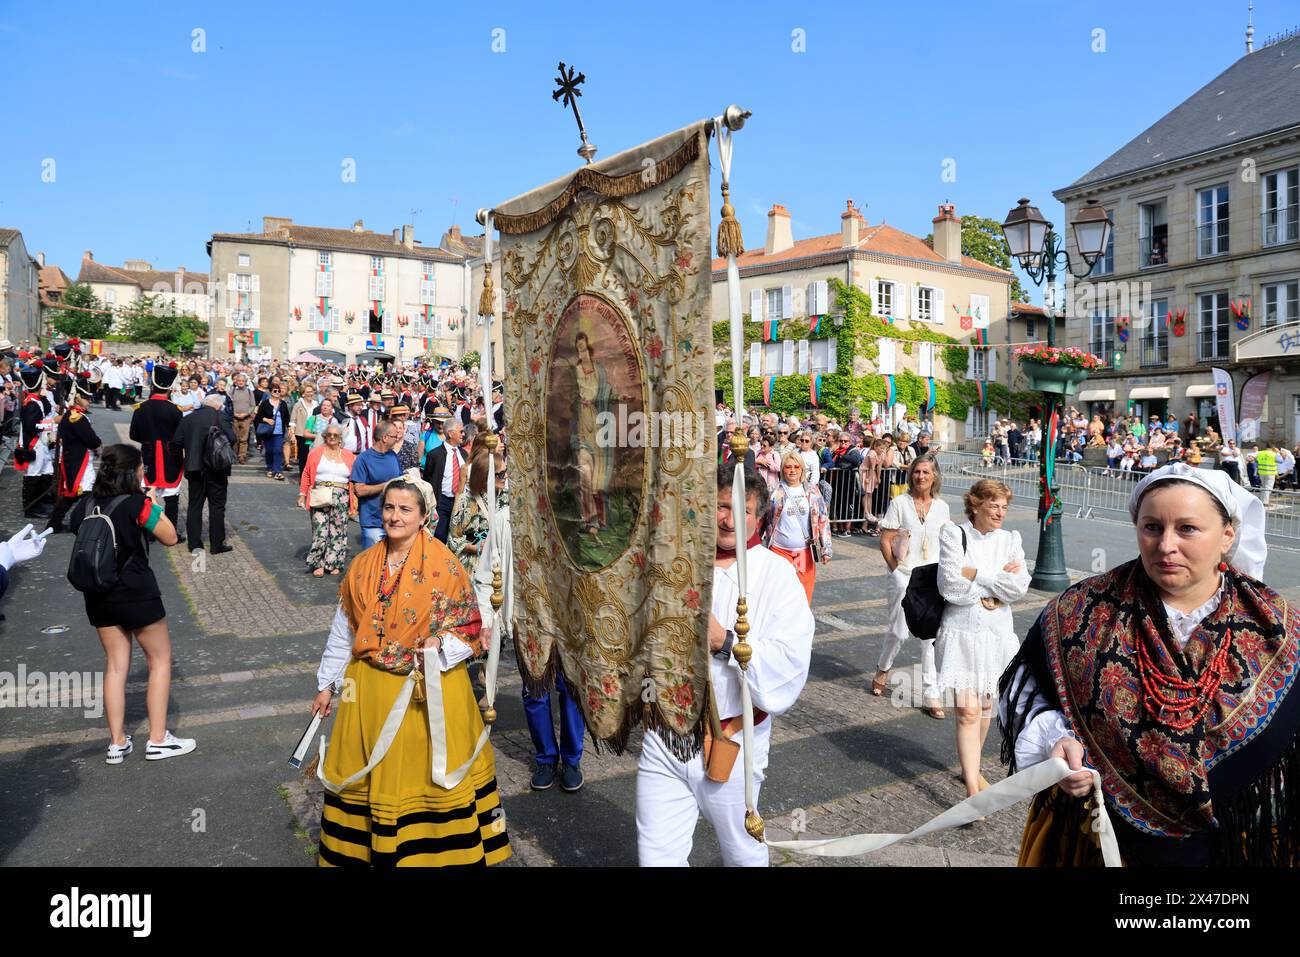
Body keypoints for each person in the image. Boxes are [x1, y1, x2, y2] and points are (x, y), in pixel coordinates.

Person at [999, 463, 1298, 866]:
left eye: (1188, 529)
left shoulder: (1276, 627)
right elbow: (1030, 692)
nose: (1166, 545)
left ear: (1227, 535)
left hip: (1232, 844)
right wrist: (1056, 744)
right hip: (1101, 839)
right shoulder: (1079, 611)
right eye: (1152, 527)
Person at [310, 478, 510, 866]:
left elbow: (470, 627)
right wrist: (327, 685)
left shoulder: (445, 564)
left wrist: (440, 647)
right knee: (373, 778)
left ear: (423, 517)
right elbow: (344, 629)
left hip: (429, 691)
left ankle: (436, 857)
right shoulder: (363, 566)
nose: (394, 516)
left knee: (422, 778)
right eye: (389, 508)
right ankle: (372, 851)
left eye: (405, 509)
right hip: (368, 690)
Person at [636, 466, 814, 867]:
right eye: (719, 506)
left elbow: (790, 661)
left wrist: (726, 642)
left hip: (732, 741)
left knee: (743, 853)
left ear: (759, 518)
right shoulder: (677, 565)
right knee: (656, 856)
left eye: (742, 509)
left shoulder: (776, 574)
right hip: (666, 736)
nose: (729, 518)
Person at [68, 443, 195, 763]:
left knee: (115, 665)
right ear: (133, 471)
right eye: (142, 468)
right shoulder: (137, 503)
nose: (145, 473)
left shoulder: (85, 504)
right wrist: (152, 500)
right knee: (160, 660)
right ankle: (157, 739)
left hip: (98, 593)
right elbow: (169, 536)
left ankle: (117, 742)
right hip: (136, 591)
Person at [935, 478, 1030, 798]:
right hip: (962, 632)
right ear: (975, 504)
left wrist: (975, 574)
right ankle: (974, 791)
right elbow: (950, 586)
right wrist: (997, 582)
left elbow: (1018, 588)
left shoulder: (1010, 539)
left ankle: (970, 770)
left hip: (997, 635)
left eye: (1004, 506)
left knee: (987, 704)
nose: (1000, 512)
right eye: (993, 506)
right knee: (968, 710)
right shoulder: (954, 533)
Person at [875, 456, 950, 718]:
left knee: (930, 637)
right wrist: (895, 570)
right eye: (917, 471)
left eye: (926, 472)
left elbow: (947, 543)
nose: (920, 476)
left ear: (934, 476)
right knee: (898, 631)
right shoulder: (899, 503)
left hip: (930, 578)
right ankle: (883, 667)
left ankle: (931, 694)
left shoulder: (942, 507)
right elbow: (885, 540)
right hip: (904, 573)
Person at [172, 393, 237, 555]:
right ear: (217, 405)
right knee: (217, 506)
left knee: (195, 505)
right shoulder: (221, 416)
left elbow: (177, 441)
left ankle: (194, 544)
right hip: (217, 468)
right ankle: (216, 544)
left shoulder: (189, 418)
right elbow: (232, 438)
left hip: (194, 467)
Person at [129, 361, 186, 544]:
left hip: (149, 455)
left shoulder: (141, 408)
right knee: (171, 498)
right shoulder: (175, 410)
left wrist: (148, 441)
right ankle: (170, 532)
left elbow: (133, 434)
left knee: (148, 495)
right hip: (171, 457)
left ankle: (149, 531)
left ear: (153, 384)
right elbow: (180, 437)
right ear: (170, 387)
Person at [762, 452, 831, 603]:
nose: (792, 470)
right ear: (782, 469)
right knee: (780, 596)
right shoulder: (774, 491)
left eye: (796, 466)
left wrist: (826, 548)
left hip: (804, 553)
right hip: (779, 552)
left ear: (801, 469)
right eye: (788, 467)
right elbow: (762, 519)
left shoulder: (812, 491)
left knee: (804, 596)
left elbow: (823, 520)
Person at [297, 421, 357, 576]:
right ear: (324, 436)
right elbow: (306, 473)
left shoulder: (349, 455)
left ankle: (334, 563)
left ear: (340, 438)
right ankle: (318, 563)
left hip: (341, 496)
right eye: (329, 434)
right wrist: (302, 494)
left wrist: (355, 499)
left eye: (335, 435)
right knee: (320, 529)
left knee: (338, 530)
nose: (332, 437)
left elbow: (355, 478)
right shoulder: (316, 452)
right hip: (320, 493)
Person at [47, 373, 101, 534]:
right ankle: (81, 523)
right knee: (86, 492)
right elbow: (91, 440)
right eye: (86, 398)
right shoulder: (77, 418)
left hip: (74, 457)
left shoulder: (72, 415)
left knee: (71, 494)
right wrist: (98, 444)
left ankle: (54, 523)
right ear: (77, 398)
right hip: (79, 459)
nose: (89, 401)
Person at [351, 419, 404, 548]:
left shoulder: (393, 456)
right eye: (394, 436)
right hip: (373, 521)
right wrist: (387, 485)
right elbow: (359, 490)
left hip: (394, 520)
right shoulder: (363, 459)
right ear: (384, 438)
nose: (397, 439)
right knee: (372, 563)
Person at [15, 361, 56, 519]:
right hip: (34, 443)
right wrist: (50, 426)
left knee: (46, 471)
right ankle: (31, 508)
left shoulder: (38, 399)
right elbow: (32, 426)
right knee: (34, 473)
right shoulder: (31, 404)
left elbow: (46, 411)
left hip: (41, 442)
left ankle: (42, 501)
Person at [423, 419, 466, 543]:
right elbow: (427, 479)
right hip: (442, 502)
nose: (463, 434)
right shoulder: (434, 455)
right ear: (451, 433)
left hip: (460, 502)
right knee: (439, 536)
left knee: (457, 537)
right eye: (461, 431)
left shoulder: (464, 455)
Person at [255, 383, 291, 480]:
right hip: (268, 431)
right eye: (275, 391)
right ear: (270, 392)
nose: (277, 393)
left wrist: (290, 428)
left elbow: (287, 417)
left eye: (279, 391)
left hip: (279, 431)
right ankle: (270, 468)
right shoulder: (265, 403)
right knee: (270, 451)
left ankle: (277, 471)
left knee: (278, 450)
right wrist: (266, 420)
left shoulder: (283, 404)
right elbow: (258, 416)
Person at [290, 383, 318, 475]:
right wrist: (292, 434)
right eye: (308, 392)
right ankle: (303, 476)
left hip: (314, 434)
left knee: (314, 456)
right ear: (303, 393)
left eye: (312, 391)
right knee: (304, 456)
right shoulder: (298, 405)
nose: (311, 394)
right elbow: (293, 420)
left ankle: (312, 476)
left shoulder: (316, 404)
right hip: (301, 434)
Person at [230, 372, 256, 464]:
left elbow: (253, 405)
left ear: (245, 382)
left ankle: (242, 456)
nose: (241, 382)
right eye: (239, 381)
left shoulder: (249, 392)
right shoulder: (232, 391)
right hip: (234, 418)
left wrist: (246, 413)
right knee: (234, 438)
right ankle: (234, 455)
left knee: (243, 439)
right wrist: (234, 413)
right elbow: (229, 405)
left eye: (243, 381)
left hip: (245, 418)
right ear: (236, 382)